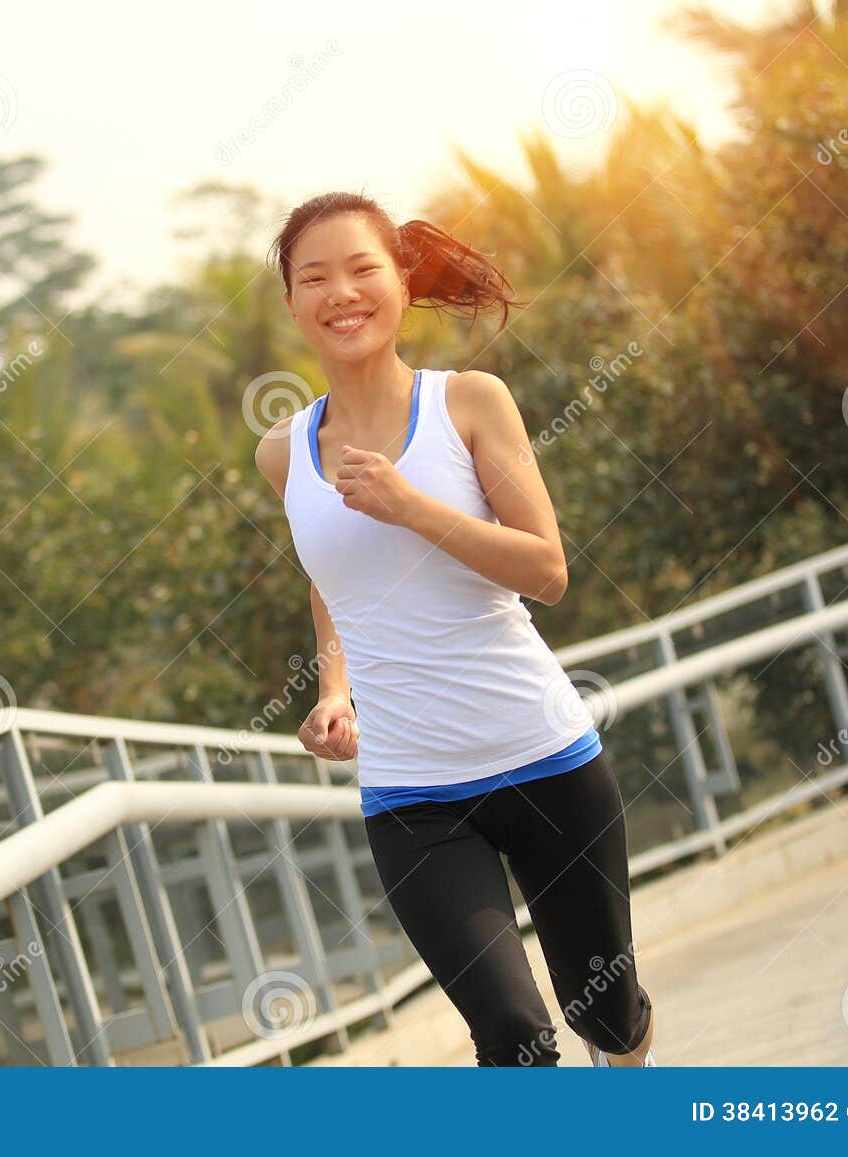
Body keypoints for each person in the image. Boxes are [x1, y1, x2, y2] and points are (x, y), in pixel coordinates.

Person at [253, 192, 658, 1068]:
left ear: (401, 282)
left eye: (362, 269)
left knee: (607, 1012)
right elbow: (333, 575)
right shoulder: (282, 452)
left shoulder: (470, 402)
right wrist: (333, 688)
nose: (340, 293)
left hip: (543, 759)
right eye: (313, 278)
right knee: (512, 1033)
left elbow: (546, 569)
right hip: (412, 792)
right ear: (291, 302)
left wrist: (411, 506)